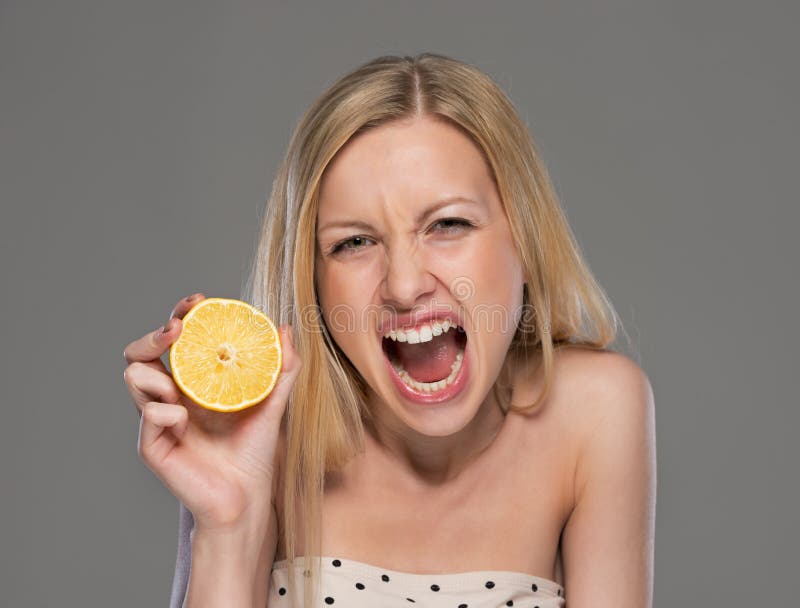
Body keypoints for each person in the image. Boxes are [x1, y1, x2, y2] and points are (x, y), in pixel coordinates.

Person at [123, 52, 656, 608]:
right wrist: (229, 523)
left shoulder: (594, 412)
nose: (403, 286)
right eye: (354, 243)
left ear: (524, 236)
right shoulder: (264, 434)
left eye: (448, 224)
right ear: (314, 281)